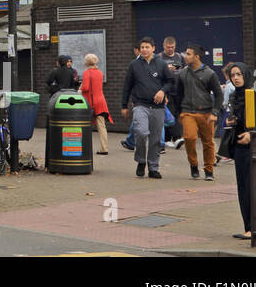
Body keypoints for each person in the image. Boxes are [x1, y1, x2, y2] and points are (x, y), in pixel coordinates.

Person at [120, 36, 169, 179]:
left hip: (158, 108)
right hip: (140, 105)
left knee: (156, 139)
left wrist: (163, 91)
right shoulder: (133, 65)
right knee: (141, 132)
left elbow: (170, 82)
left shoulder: (161, 64)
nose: (144, 50)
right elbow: (127, 86)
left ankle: (153, 167)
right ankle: (141, 160)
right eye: (142, 47)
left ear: (153, 48)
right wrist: (124, 105)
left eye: (147, 47)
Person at [178, 43, 224, 181]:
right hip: (188, 112)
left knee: (208, 142)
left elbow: (218, 94)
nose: (185, 56)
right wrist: (179, 112)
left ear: (197, 57)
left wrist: (214, 112)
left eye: (188, 54)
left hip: (206, 113)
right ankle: (193, 165)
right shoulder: (183, 73)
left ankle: (209, 170)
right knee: (189, 138)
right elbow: (178, 94)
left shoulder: (209, 74)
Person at [226, 62, 254, 239]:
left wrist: (251, 134)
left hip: (252, 148)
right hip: (238, 147)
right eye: (232, 75)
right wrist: (231, 122)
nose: (235, 78)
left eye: (239, 74)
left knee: (251, 187)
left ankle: (254, 227)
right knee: (242, 187)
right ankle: (248, 227)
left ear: (246, 75)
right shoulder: (235, 96)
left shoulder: (253, 96)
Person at [80, 53, 111, 154]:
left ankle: (83, 147)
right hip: (101, 101)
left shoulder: (87, 73)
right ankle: (104, 148)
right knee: (102, 126)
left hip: (91, 102)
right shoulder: (100, 72)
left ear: (86, 62)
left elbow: (85, 88)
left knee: (84, 125)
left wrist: (79, 89)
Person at [160, 36, 186, 147]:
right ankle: (172, 138)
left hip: (178, 90)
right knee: (169, 115)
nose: (170, 49)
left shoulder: (180, 57)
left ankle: (175, 139)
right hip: (167, 91)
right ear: (164, 46)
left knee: (178, 114)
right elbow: (156, 75)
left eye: (172, 47)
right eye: (168, 47)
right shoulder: (159, 58)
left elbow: (185, 69)